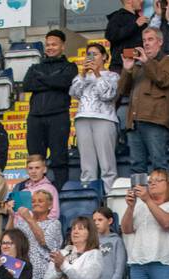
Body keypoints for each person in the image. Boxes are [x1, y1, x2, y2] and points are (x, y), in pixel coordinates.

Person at [118, 27, 169, 176]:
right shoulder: (138, 66)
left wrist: (146, 62)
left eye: (150, 40)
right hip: (134, 121)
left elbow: (163, 80)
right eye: (144, 40)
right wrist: (126, 69)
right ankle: (138, 198)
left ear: (160, 42)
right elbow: (122, 90)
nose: (146, 44)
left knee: (158, 164)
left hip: (155, 121)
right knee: (136, 167)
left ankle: (162, 197)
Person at [24, 29, 76, 191]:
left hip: (58, 116)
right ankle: (36, 191)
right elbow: (27, 85)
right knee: (34, 159)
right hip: (35, 118)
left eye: (54, 44)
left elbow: (65, 82)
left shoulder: (70, 66)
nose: (50, 47)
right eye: (47, 45)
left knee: (59, 158)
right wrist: (53, 81)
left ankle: (60, 193)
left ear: (62, 47)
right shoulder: (34, 67)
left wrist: (43, 80)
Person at [70, 42, 120, 194]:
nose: (91, 58)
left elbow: (107, 95)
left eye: (95, 54)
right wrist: (83, 74)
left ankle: (110, 200)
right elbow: (74, 93)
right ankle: (89, 199)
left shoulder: (113, 75)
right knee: (87, 165)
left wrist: (98, 74)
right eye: (88, 54)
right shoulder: (82, 76)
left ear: (104, 57)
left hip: (104, 119)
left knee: (107, 164)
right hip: (83, 119)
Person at [93, 206, 127, 279]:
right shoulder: (91, 242)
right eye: (94, 220)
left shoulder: (116, 241)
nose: (96, 223)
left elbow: (119, 269)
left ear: (110, 221)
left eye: (100, 220)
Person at [9, 154, 60, 221]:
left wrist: (35, 225)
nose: (33, 171)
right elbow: (17, 217)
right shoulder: (23, 191)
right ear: (27, 170)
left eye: (37, 168)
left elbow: (54, 214)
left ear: (44, 170)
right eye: (30, 168)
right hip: (22, 229)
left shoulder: (50, 189)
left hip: (41, 228)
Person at [106, 0, 150, 71]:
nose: (142, 1)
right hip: (120, 67)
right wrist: (135, 25)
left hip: (140, 65)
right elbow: (111, 35)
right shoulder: (117, 17)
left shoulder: (140, 19)